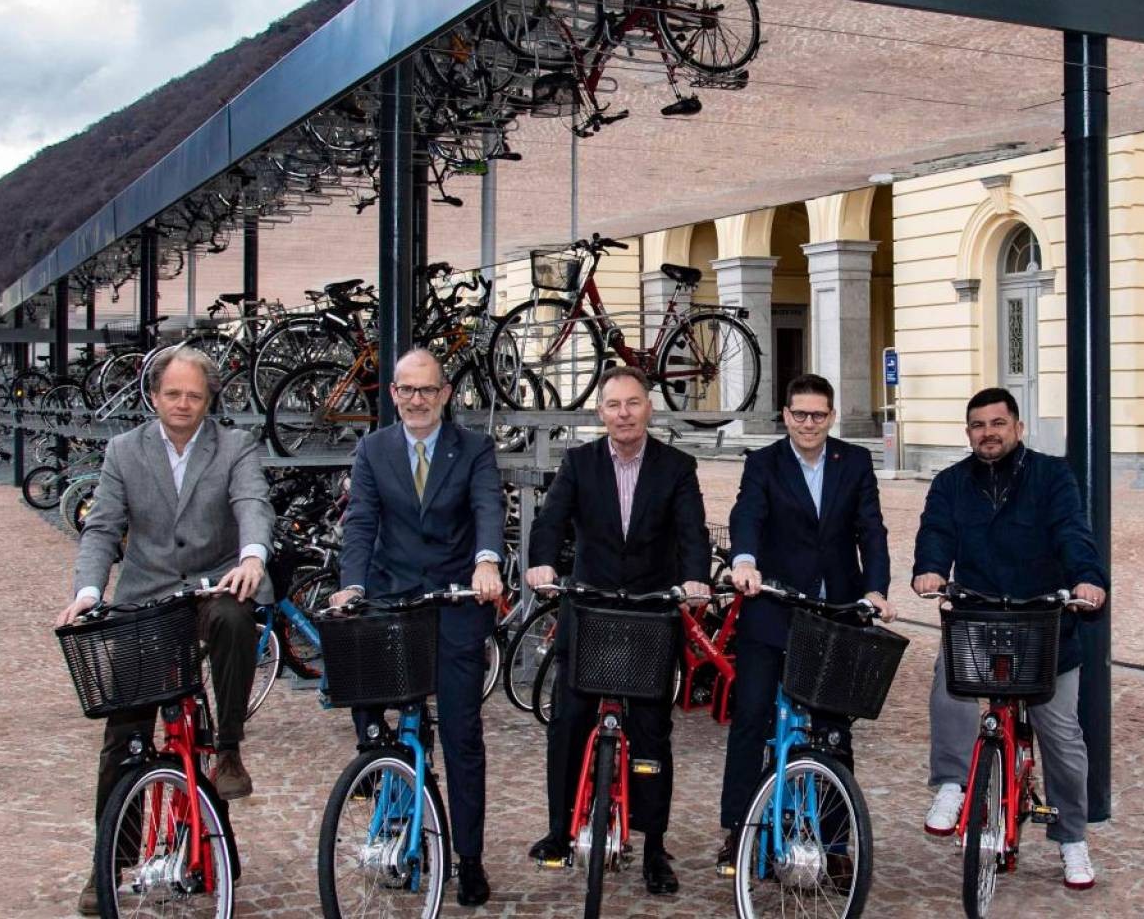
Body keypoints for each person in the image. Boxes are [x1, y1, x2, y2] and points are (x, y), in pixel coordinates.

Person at [58, 346, 273, 916]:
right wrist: (87, 592)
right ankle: (110, 860)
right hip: (146, 599)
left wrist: (252, 556)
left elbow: (253, 504)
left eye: (194, 395)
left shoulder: (235, 446)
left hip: (213, 587)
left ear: (209, 400)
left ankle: (228, 748)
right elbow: (102, 528)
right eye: (173, 393)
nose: (183, 404)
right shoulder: (124, 451)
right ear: (154, 396)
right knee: (123, 738)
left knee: (234, 617)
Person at [524, 365, 711, 897]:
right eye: (613, 404)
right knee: (568, 720)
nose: (624, 414)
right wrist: (541, 563)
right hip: (591, 606)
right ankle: (560, 830)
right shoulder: (579, 462)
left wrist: (695, 578)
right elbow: (550, 520)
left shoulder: (677, 466)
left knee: (652, 731)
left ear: (649, 407)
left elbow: (692, 531)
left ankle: (654, 846)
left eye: (633, 403)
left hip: (650, 610)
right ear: (600, 411)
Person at [911, 387, 1108, 891]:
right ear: (968, 433)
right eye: (978, 425)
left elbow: (1072, 531)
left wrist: (1087, 580)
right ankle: (953, 783)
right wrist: (930, 569)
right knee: (950, 686)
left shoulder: (1052, 476)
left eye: (998, 423)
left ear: (1018, 428)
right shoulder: (950, 483)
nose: (989, 433)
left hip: (1043, 621)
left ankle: (1071, 837)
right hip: (977, 618)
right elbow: (935, 532)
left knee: (1061, 735)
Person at [329, 348, 505, 907]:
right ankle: (384, 769)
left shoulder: (473, 448)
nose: (416, 400)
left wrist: (486, 561)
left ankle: (469, 858)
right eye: (406, 390)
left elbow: (488, 507)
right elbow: (361, 522)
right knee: (362, 689)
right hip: (394, 597)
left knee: (461, 734)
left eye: (427, 390)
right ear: (393, 393)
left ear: (446, 394)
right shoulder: (374, 449)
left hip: (455, 600)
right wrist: (352, 585)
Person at [716, 373, 894, 870]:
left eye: (818, 415)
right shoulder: (763, 463)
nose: (809, 423)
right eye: (800, 414)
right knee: (751, 718)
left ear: (831, 416)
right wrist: (745, 561)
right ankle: (738, 831)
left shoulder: (853, 462)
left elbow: (871, 529)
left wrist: (875, 590)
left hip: (833, 614)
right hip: (773, 607)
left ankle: (835, 846)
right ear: (786, 416)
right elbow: (747, 514)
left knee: (834, 730)